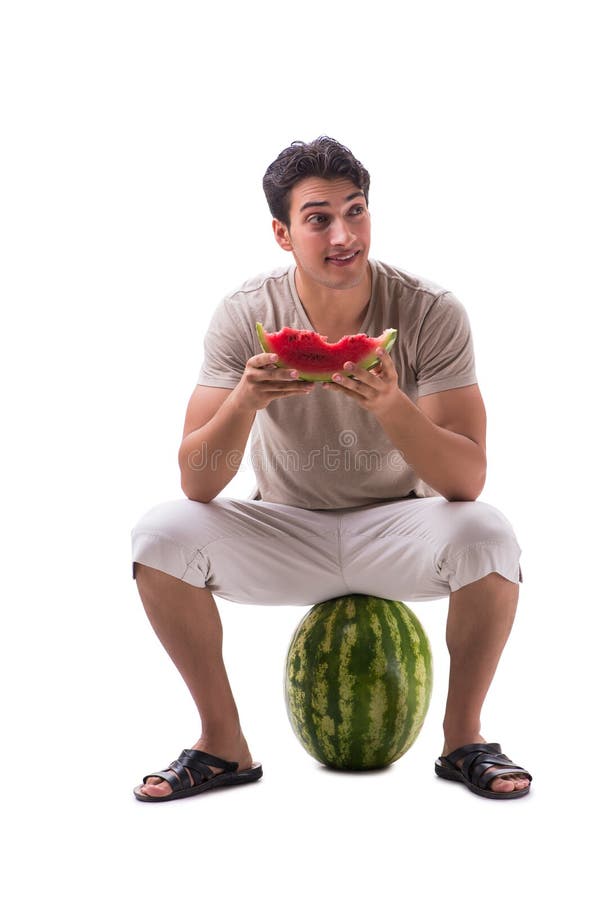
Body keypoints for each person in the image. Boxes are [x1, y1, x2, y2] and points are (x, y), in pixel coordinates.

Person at [131, 136, 532, 802]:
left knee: (488, 534)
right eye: (318, 218)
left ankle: (463, 739)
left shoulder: (429, 310)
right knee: (159, 535)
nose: (344, 236)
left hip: (397, 529)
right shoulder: (245, 313)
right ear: (282, 234)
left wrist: (391, 404)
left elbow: (466, 482)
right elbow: (197, 482)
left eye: (356, 211)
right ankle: (222, 743)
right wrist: (244, 400)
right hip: (283, 529)